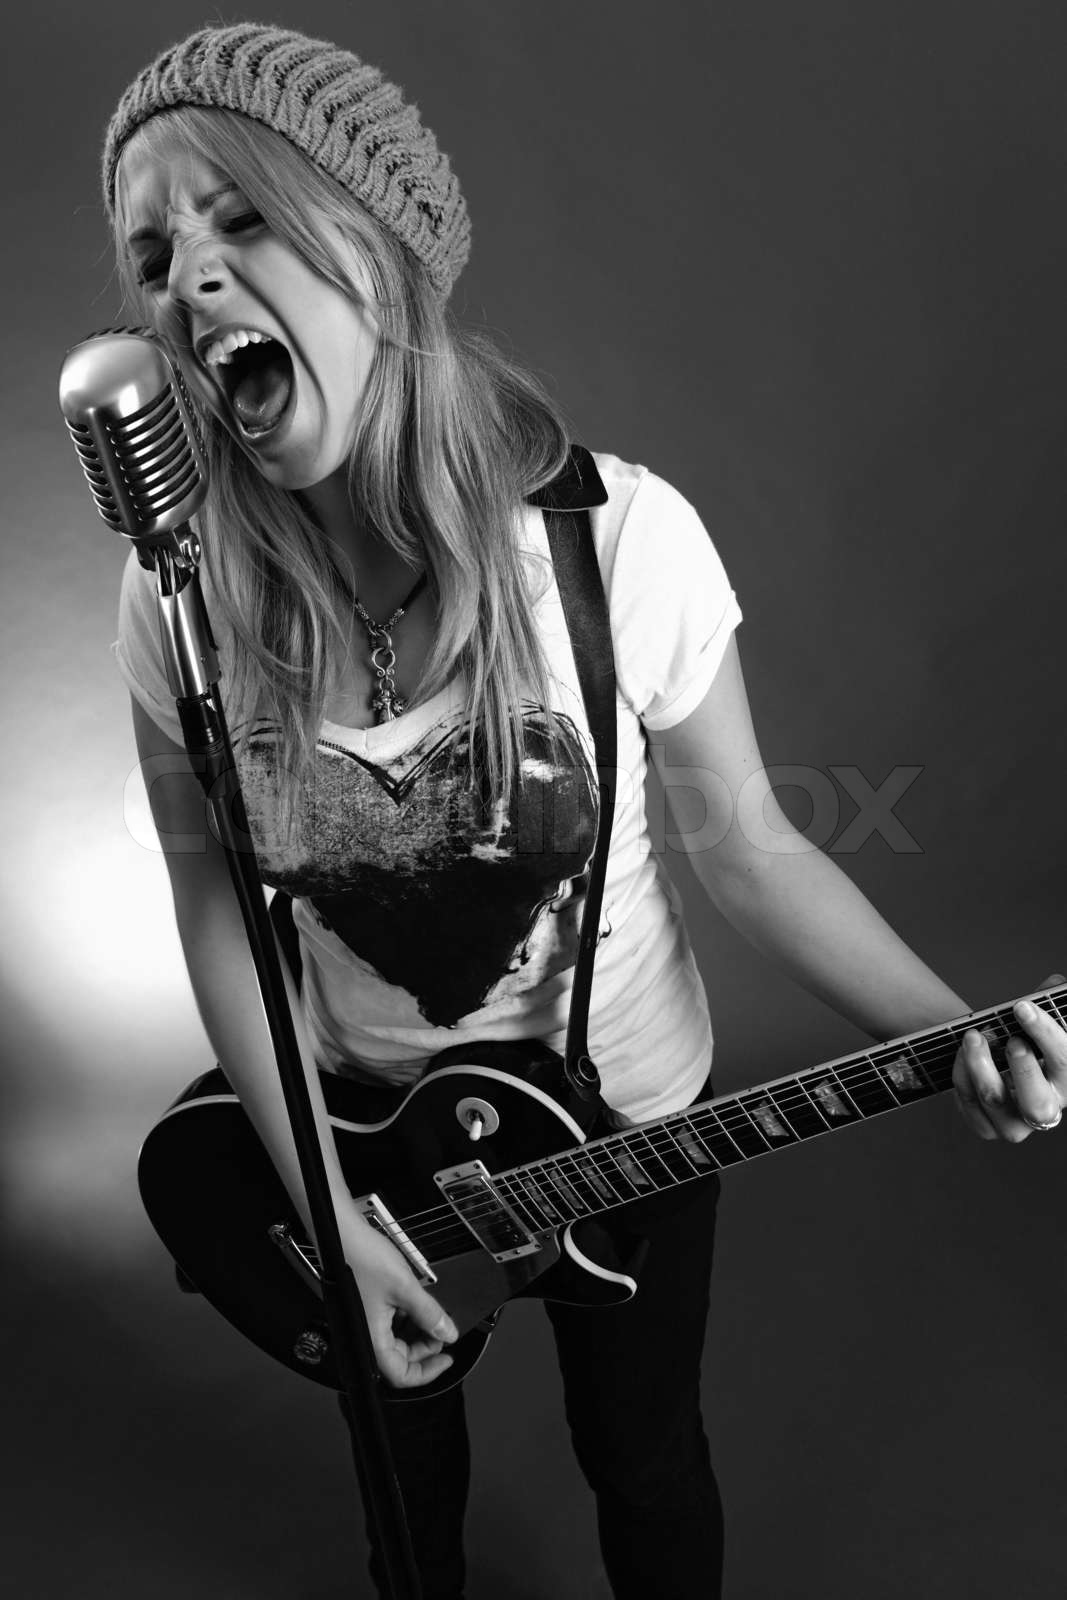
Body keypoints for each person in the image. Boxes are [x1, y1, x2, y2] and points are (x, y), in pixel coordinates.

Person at [103, 23, 1066, 1600]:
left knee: (648, 1461)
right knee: (407, 1508)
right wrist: (324, 1213)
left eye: (244, 217)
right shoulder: (178, 597)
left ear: (382, 251)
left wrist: (957, 1027)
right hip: (356, 1144)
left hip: (631, 1119)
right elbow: (211, 904)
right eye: (151, 253)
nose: (188, 281)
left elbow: (750, 848)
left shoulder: (621, 543)